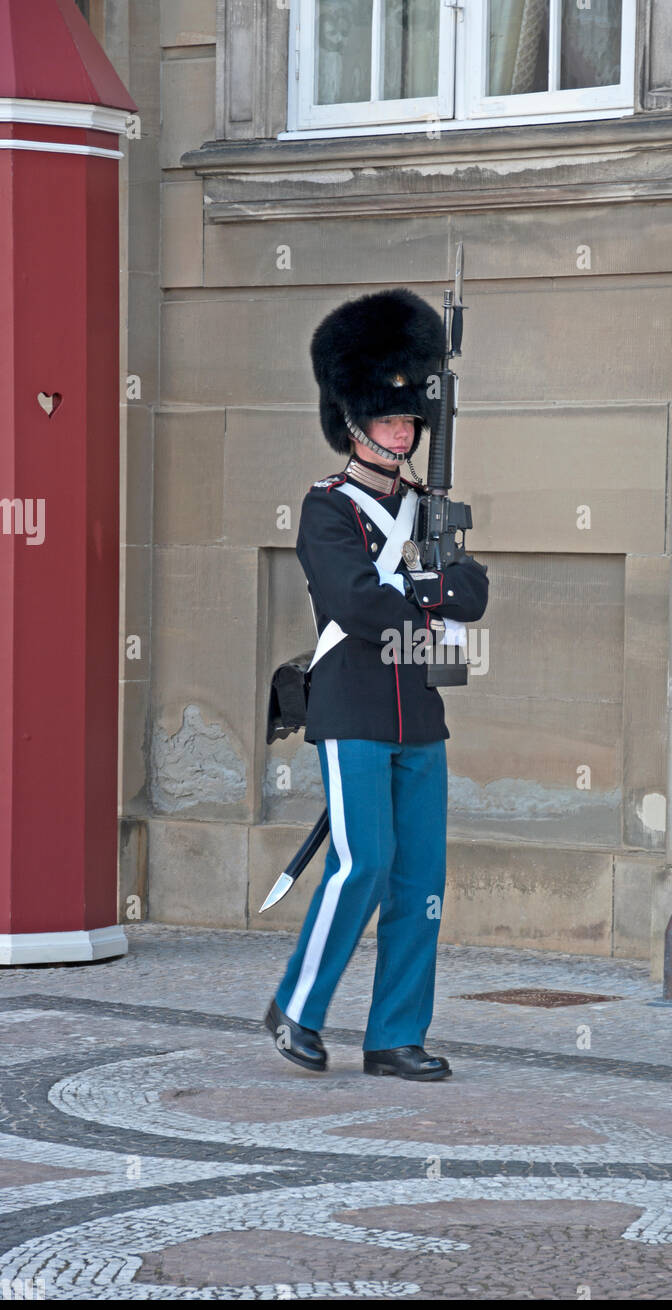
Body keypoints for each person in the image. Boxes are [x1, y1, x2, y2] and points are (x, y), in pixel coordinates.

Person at [264, 287, 489, 1081]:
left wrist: (430, 588)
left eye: (408, 421)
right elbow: (354, 601)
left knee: (420, 880)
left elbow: (475, 591)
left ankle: (395, 1034)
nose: (402, 431)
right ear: (354, 423)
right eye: (388, 420)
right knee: (362, 863)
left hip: (417, 714)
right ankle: (298, 1007)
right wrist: (429, 592)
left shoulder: (429, 508)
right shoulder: (328, 509)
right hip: (353, 704)